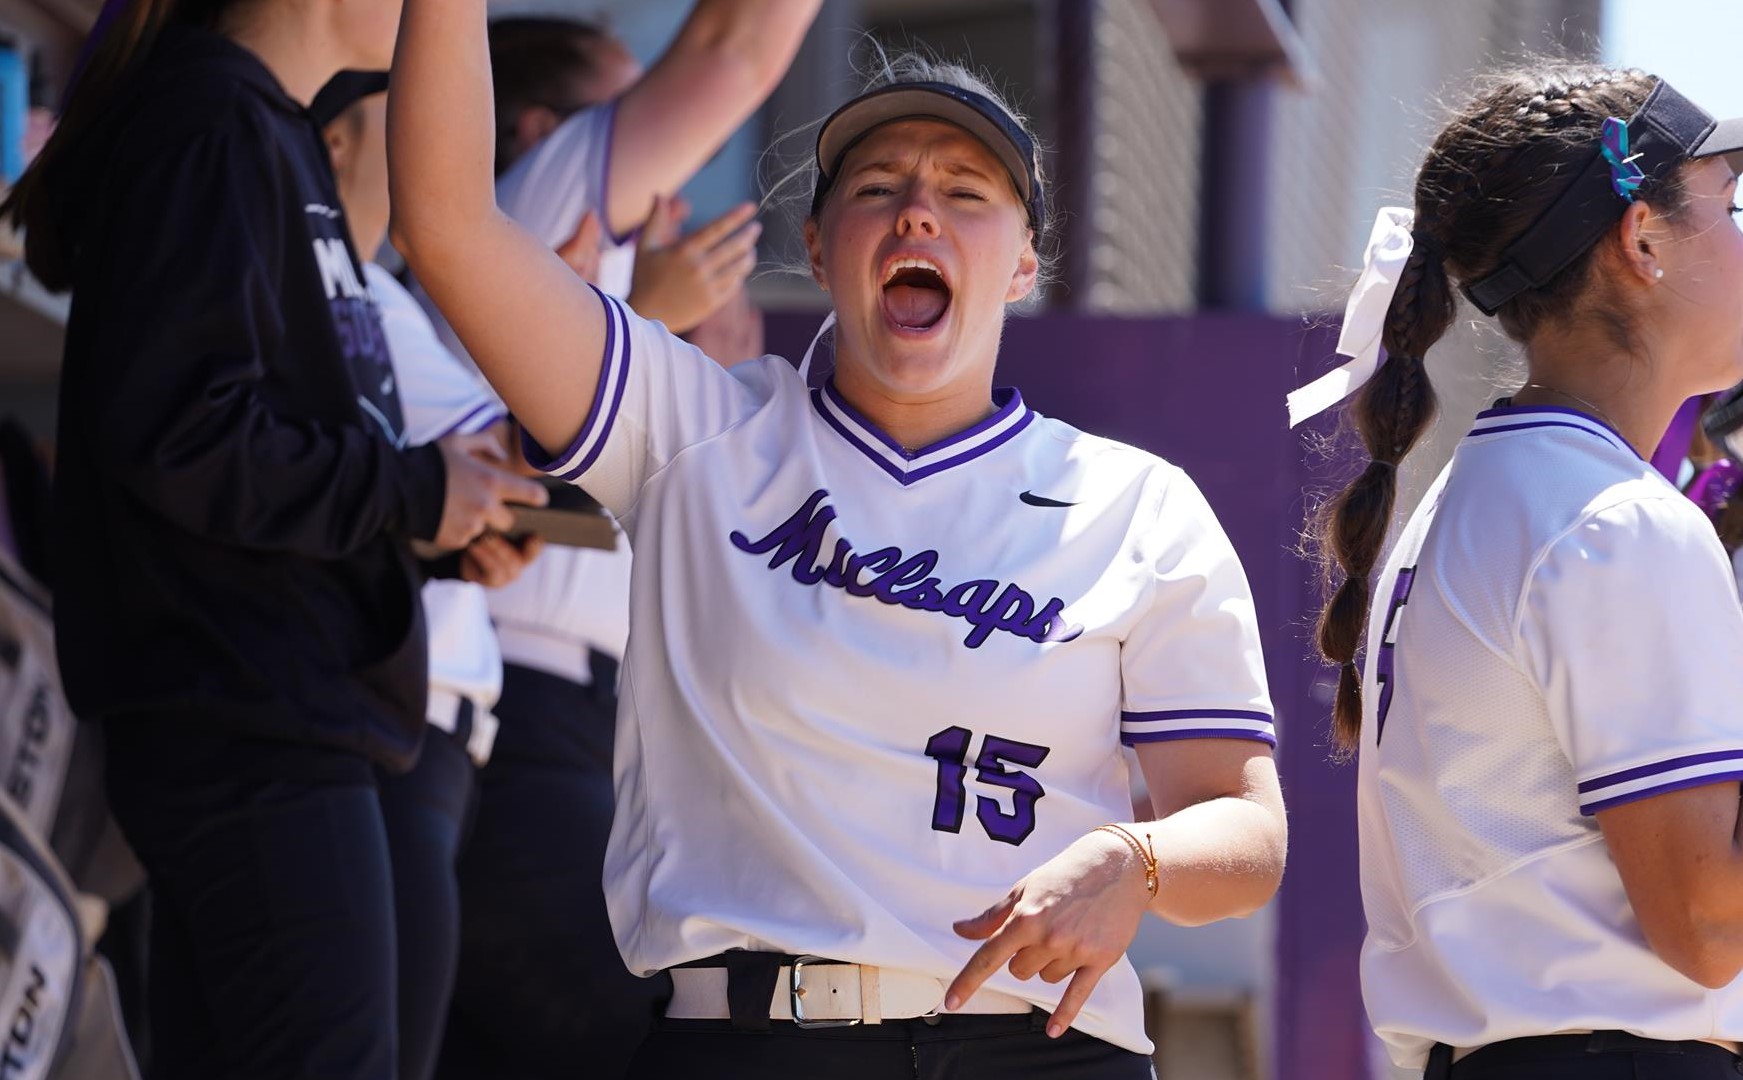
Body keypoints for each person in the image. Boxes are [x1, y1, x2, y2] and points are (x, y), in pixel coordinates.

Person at [390, 6, 1290, 1075]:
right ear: (816, 249)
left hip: (1044, 1047)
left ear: (1020, 265)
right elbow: (446, 222)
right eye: (877, 190)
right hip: (751, 1041)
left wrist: (1131, 860)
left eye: (965, 194)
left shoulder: (1136, 503)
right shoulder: (693, 435)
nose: (919, 215)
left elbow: (1241, 826)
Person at [0, 0, 544, 1074]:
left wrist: (434, 525)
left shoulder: (262, 128)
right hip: (249, 714)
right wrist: (406, 492)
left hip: (273, 708)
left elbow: (246, 436)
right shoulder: (210, 123)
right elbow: (182, 433)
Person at [1301, 63, 1743, 1078]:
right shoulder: (1613, 523)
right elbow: (1707, 928)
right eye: (1727, 205)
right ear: (1640, 241)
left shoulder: (1475, 496)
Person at [402, 9, 820, 1077]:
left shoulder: (611, 275)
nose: (671, 179)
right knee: (668, 1042)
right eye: (627, 109)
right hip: (522, 714)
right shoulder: (533, 199)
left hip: (591, 728)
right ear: (541, 129)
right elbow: (732, 52)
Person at [311, 70, 545, 1080]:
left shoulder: (379, 291)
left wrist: (450, 530)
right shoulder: (326, 282)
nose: (431, 135)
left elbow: (465, 483)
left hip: (425, 727)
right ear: (336, 145)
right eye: (397, 109)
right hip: (375, 727)